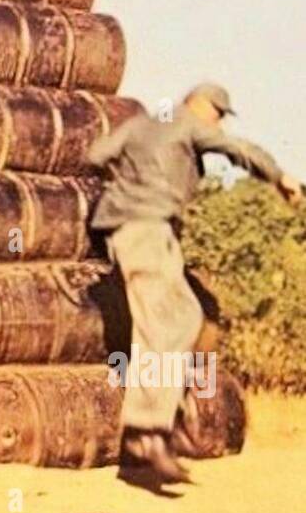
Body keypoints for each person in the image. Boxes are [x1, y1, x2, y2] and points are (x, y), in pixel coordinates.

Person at [88, 83, 301, 485]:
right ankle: (145, 432)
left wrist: (127, 185)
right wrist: (280, 177)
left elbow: (96, 155)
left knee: (183, 318)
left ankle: (165, 424)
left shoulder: (142, 124)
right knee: (163, 325)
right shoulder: (189, 123)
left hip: (131, 229)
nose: (217, 123)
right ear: (203, 107)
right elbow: (239, 150)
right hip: (146, 229)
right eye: (218, 115)